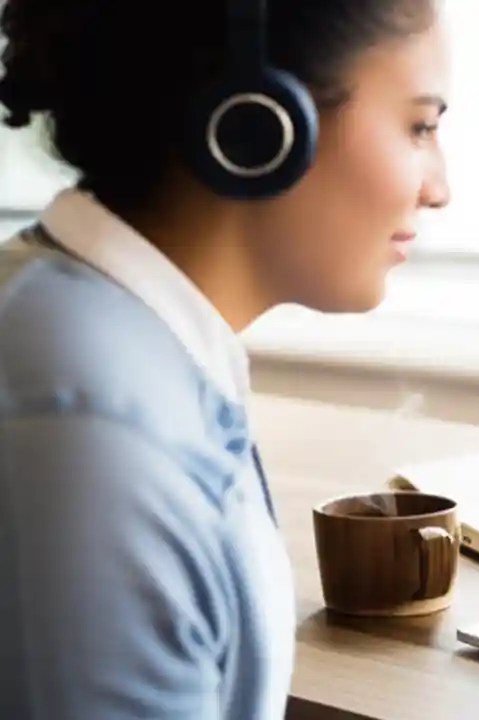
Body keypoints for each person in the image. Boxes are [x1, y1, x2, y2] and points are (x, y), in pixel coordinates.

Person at [0, 0, 450, 716]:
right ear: (259, 119)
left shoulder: (126, 345)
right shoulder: (89, 425)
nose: (439, 189)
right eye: (419, 127)